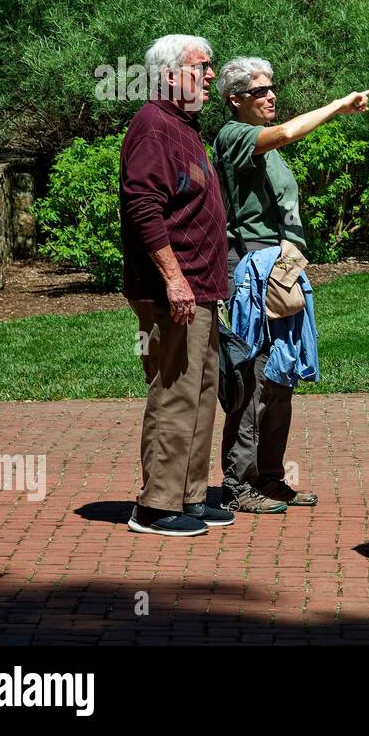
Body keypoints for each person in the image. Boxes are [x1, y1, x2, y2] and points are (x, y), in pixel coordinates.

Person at [212, 56, 369, 513]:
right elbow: (284, 132)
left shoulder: (266, 148)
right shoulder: (235, 136)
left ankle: (270, 477)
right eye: (260, 91)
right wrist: (339, 106)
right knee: (254, 376)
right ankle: (239, 484)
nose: (271, 96)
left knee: (281, 376)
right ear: (235, 99)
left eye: (271, 89)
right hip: (253, 269)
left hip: (283, 268)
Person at [121, 34, 235, 536]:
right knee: (174, 392)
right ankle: (155, 505)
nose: (211, 75)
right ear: (170, 75)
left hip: (201, 288)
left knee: (202, 391)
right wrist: (174, 280)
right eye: (202, 67)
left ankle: (189, 495)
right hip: (176, 289)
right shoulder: (152, 126)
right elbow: (142, 208)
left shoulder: (183, 125)